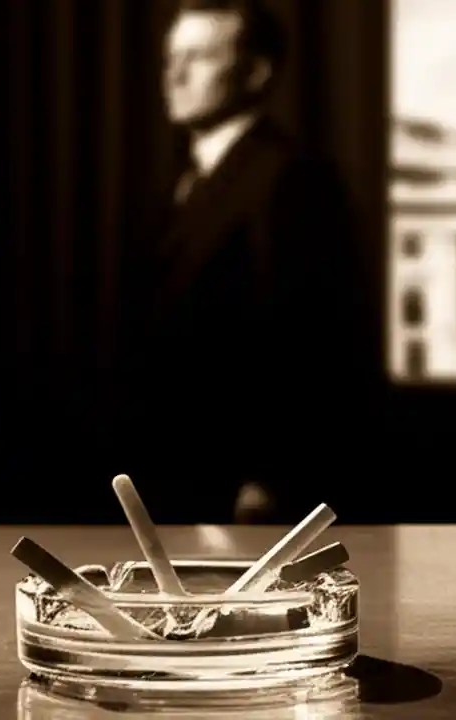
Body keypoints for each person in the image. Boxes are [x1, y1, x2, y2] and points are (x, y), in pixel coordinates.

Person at [114, 0, 373, 523]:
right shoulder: (183, 180)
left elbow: (309, 342)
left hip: (240, 490)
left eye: (199, 57)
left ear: (255, 71)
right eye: (171, 58)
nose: (176, 74)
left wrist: (269, 478)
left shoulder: (291, 178)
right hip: (171, 473)